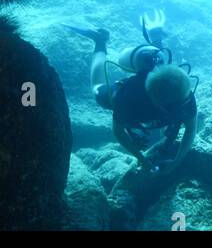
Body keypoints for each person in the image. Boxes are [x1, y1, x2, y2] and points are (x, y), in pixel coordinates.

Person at [64, 10, 197, 174]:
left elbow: (191, 128)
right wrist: (141, 158)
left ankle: (155, 39)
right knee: (97, 89)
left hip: (153, 66)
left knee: (157, 58)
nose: (177, 110)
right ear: (154, 101)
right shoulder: (128, 97)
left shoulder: (185, 96)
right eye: (170, 108)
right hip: (136, 71)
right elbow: (118, 131)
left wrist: (176, 162)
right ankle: (100, 42)